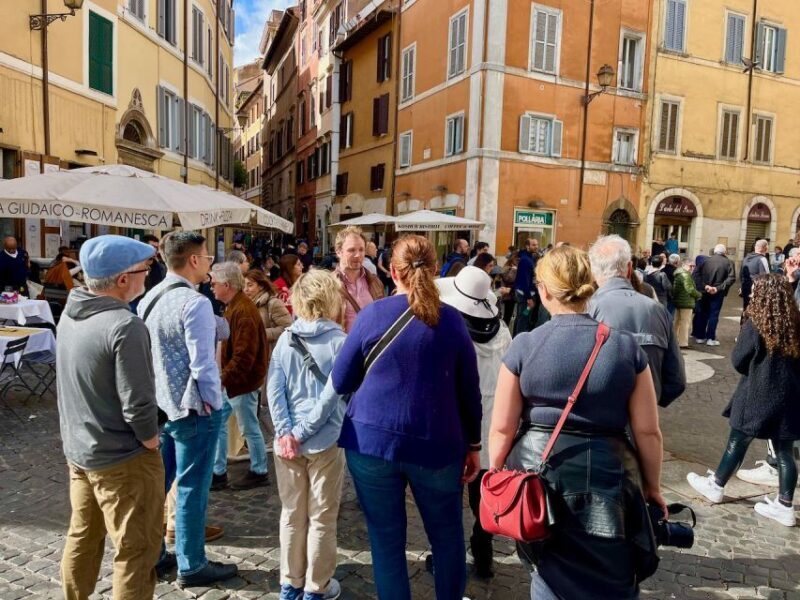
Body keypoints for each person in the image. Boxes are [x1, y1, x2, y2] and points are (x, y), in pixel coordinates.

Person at [489, 245, 663, 599]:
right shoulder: (625, 347)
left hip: (543, 481)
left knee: (548, 571)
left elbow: (503, 427)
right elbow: (647, 430)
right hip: (609, 478)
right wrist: (653, 486)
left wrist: (496, 473)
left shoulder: (524, 345)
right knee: (613, 572)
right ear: (590, 286)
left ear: (544, 290)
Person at [331, 235, 482, 600]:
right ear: (434, 271)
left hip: (371, 441)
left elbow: (340, 380)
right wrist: (474, 444)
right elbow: (470, 391)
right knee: (447, 536)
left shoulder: (372, 315)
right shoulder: (451, 322)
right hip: (436, 443)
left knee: (385, 540)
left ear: (392, 271)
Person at [57, 235, 164, 600]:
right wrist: (151, 441)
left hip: (81, 450)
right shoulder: (124, 325)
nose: (147, 277)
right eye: (144, 271)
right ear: (123, 280)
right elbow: (138, 404)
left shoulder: (72, 311)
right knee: (136, 550)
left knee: (83, 537)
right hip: (121, 458)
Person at [137, 231, 238, 587]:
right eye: (207, 256)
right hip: (193, 408)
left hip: (161, 407)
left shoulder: (150, 297)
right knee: (193, 487)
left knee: (160, 484)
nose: (210, 261)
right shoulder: (193, 303)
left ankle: (156, 555)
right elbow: (203, 366)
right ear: (193, 260)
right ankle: (192, 564)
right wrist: (214, 403)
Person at [687, 274, 800, 527]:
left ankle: (716, 484)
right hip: (790, 396)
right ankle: (785, 504)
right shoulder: (796, 323)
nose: (750, 294)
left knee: (737, 441)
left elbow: (738, 361)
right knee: (785, 452)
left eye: (754, 291)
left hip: (758, 394)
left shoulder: (756, 324)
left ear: (763, 296)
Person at [267, 269, 348, 600]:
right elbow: (331, 397)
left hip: (288, 445)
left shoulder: (286, 339)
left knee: (291, 515)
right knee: (321, 518)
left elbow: (274, 390)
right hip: (324, 441)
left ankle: (291, 583)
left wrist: (285, 431)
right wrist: (299, 431)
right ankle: (317, 587)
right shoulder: (340, 343)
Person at [435, 266, 512, 580]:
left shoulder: (450, 332)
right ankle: (484, 556)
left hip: (456, 425)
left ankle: (448, 561)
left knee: (449, 499)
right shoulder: (504, 331)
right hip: (491, 426)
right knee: (484, 499)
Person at [588, 235, 686, 407]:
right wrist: (651, 400)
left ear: (593, 271)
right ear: (629, 268)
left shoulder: (587, 310)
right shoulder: (658, 310)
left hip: (599, 418)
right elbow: (676, 379)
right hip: (645, 415)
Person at [210, 262, 270, 491]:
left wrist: (223, 379)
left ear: (227, 285)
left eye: (214, 283)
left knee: (248, 427)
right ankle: (219, 472)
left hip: (240, 382)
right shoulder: (235, 306)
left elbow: (244, 355)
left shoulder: (242, 310)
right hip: (234, 381)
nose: (211, 286)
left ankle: (259, 470)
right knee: (220, 424)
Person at [333, 226, 384, 333]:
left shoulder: (375, 282)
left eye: (361, 250)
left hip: (370, 346)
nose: (358, 255)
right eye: (351, 250)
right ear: (338, 252)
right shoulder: (329, 285)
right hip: (342, 346)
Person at [244, 269, 293, 363]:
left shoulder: (273, 303)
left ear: (261, 286)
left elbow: (288, 328)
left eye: (250, 285)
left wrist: (260, 333)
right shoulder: (245, 305)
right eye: (244, 285)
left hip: (270, 359)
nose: (246, 289)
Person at [692, 244, 736, 346]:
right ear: (725, 252)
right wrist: (717, 288)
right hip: (718, 292)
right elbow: (731, 278)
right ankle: (710, 338)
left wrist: (705, 286)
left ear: (714, 251)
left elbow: (695, 275)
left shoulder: (705, 261)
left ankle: (700, 336)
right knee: (713, 315)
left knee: (703, 313)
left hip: (704, 291)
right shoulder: (729, 262)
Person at [671, 255, 702, 348]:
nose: (692, 268)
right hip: (686, 302)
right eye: (690, 266)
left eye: (693, 266)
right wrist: (699, 295)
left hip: (679, 301)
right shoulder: (685, 275)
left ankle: (674, 340)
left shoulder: (678, 273)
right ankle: (683, 343)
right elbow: (690, 289)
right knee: (685, 323)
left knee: (677, 322)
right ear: (684, 265)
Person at [513, 238, 540, 337]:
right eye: (533, 245)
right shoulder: (525, 260)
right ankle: (519, 341)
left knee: (521, 317)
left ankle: (515, 338)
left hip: (525, 293)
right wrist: (529, 298)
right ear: (527, 246)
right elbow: (525, 280)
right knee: (523, 318)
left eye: (536, 244)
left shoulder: (529, 258)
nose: (536, 247)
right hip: (525, 295)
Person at [740, 239, 770, 312]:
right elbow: (766, 277)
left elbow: (741, 274)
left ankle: (744, 323)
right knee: (756, 311)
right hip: (757, 290)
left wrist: (742, 286)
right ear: (765, 248)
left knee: (746, 309)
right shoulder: (762, 259)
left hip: (745, 287)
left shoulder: (746, 258)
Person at [500, 252, 519, 326]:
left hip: (512, 294)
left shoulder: (514, 267)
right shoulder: (507, 268)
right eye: (516, 259)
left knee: (509, 314)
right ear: (512, 259)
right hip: (508, 295)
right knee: (507, 315)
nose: (518, 261)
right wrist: (514, 270)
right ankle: (504, 330)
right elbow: (508, 279)